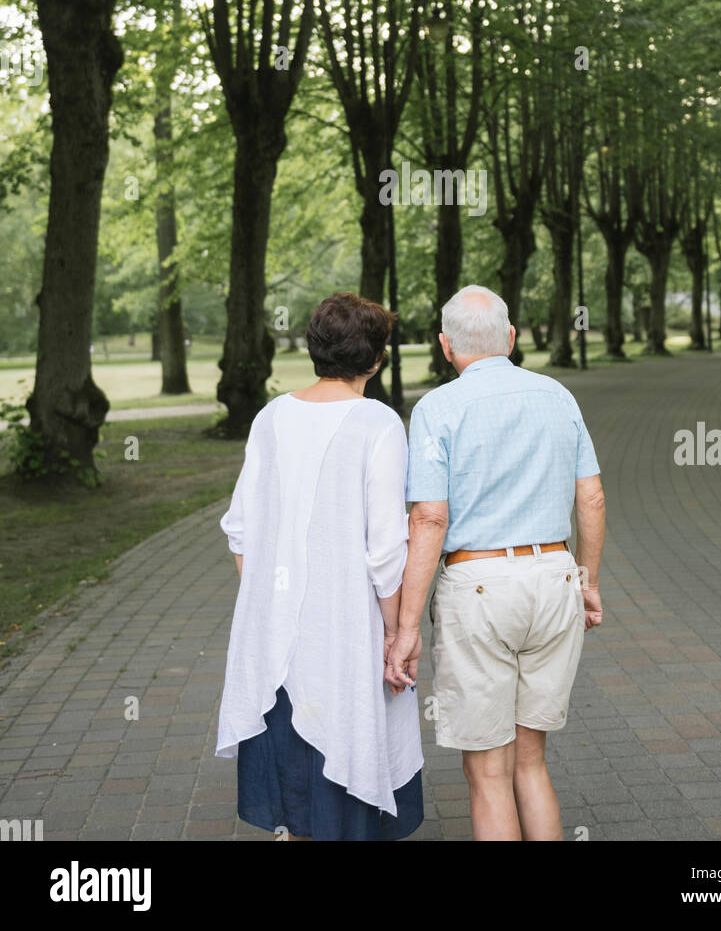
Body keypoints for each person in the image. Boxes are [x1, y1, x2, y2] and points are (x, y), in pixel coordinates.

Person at [385, 284, 605, 841]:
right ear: (510, 338)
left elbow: (430, 519)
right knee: (530, 760)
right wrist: (589, 581)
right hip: (555, 578)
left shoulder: (436, 409)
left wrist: (406, 626)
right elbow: (593, 497)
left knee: (487, 771)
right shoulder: (558, 396)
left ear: (445, 346)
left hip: (479, 586)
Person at [216, 292, 423, 841]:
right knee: (340, 794)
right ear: (376, 359)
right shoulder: (379, 423)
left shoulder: (271, 417)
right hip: (344, 638)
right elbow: (386, 550)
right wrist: (399, 631)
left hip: (274, 642)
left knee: (293, 801)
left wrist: (272, 601)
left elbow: (240, 530)